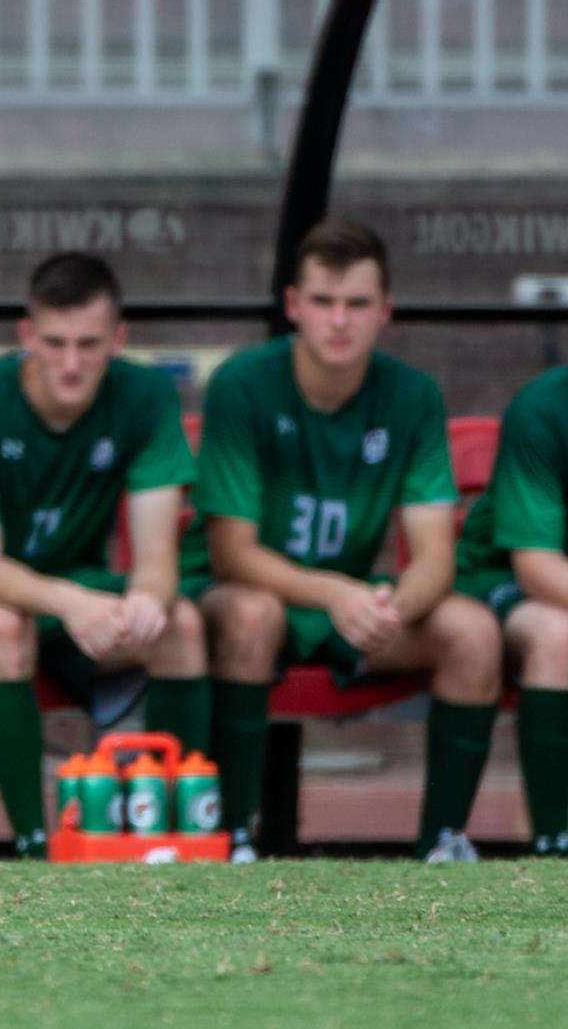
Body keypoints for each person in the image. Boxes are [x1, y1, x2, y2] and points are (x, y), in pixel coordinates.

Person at [188, 218, 499, 863]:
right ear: (293, 305)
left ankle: (440, 845)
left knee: (472, 630)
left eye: (357, 303)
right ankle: (233, 837)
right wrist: (337, 593)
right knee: (252, 613)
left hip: (352, 608)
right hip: (243, 595)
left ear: (385, 311)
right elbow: (232, 554)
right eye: (324, 302)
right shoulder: (242, 385)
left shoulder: (413, 396)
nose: (339, 321)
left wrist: (394, 608)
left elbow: (435, 555)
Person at [0, 252, 206, 860]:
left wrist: (146, 599)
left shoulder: (145, 396)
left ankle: (173, 839)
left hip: (72, 580)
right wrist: (78, 603)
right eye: (55, 342)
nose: (70, 363)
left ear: (119, 338)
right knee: (5, 626)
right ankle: (38, 850)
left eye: (88, 344)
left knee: (181, 625)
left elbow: (157, 554)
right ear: (26, 335)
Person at [454, 366, 568, 855]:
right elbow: (538, 567)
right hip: (503, 579)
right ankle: (555, 842)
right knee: (559, 634)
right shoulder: (544, 407)